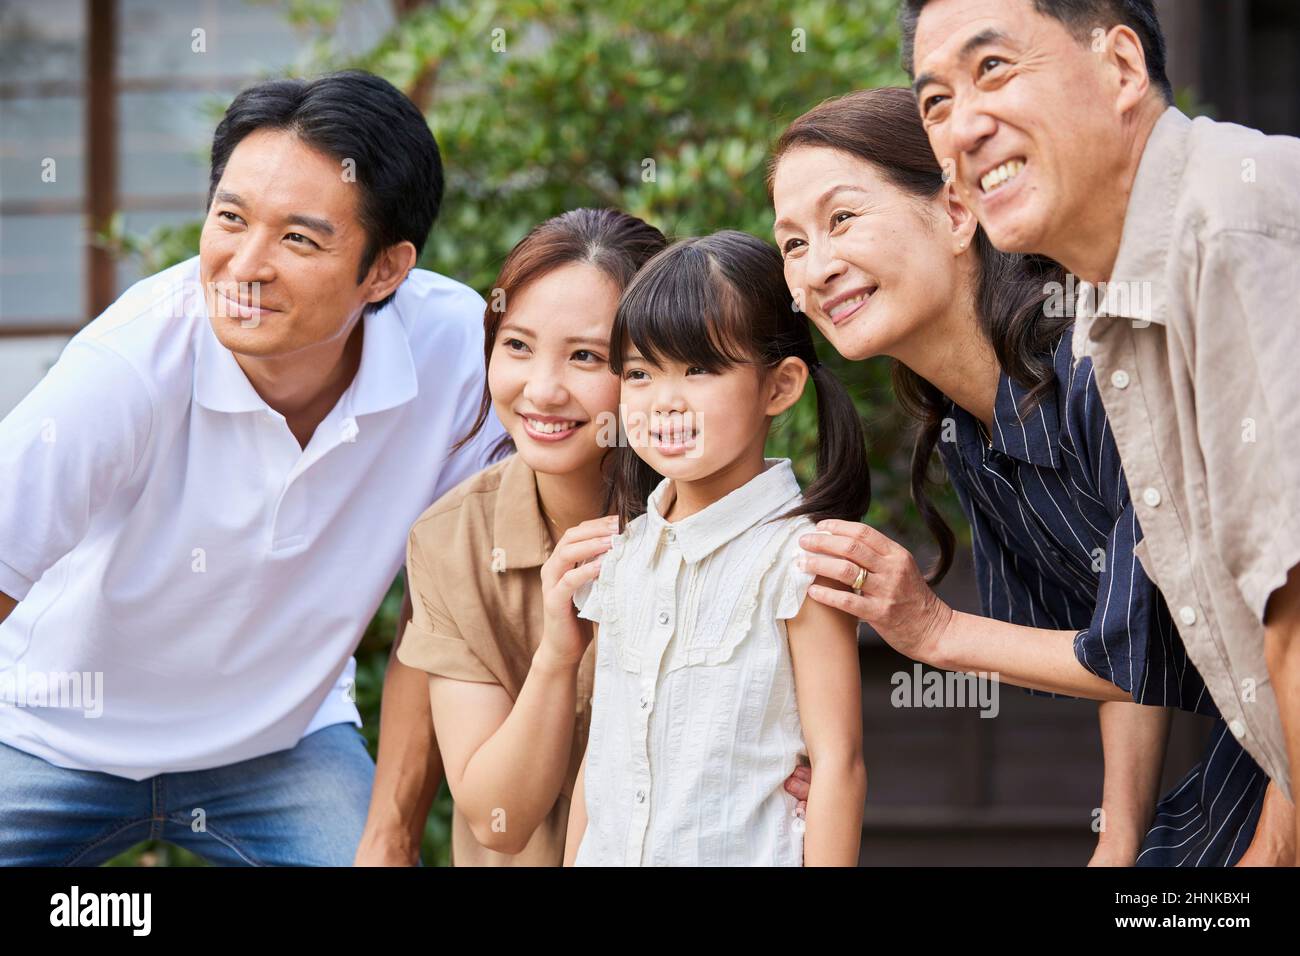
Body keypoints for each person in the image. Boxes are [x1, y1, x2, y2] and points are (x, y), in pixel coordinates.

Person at [0, 70, 502, 865]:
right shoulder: (125, 367)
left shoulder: (460, 356)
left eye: (299, 238)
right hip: (44, 736)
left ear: (385, 270)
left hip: (282, 743)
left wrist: (393, 831)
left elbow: (444, 606)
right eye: (230, 219)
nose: (246, 266)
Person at [771, 86, 1271, 865]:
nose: (818, 266)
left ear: (955, 213)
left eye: (841, 219)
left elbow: (1140, 645)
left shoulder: (1099, 363)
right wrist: (1120, 835)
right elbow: (1119, 638)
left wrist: (936, 631)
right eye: (793, 244)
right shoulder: (967, 430)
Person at [902, 0, 1300, 865]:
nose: (962, 128)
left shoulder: (1228, 226)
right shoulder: (1107, 320)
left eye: (994, 69)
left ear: (1121, 66)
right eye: (935, 102)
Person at [357, 208, 666, 866]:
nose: (542, 390)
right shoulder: (453, 541)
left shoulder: (711, 526)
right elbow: (500, 818)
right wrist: (558, 654)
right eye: (517, 346)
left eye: (585, 356)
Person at [563, 231, 867, 866]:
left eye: (699, 369)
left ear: (779, 387)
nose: (665, 401)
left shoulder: (801, 561)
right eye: (641, 374)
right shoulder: (619, 559)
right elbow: (605, 758)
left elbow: (838, 763)